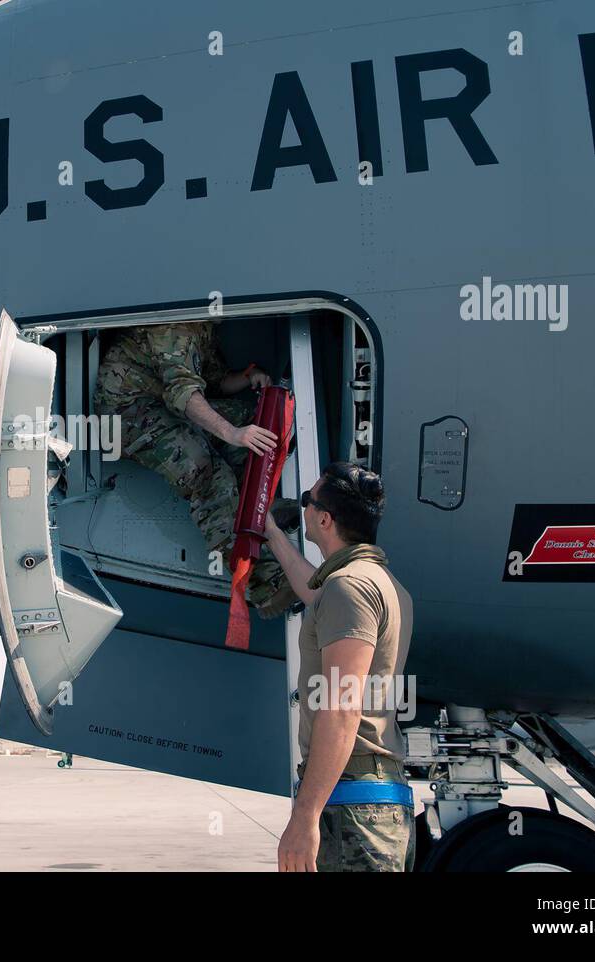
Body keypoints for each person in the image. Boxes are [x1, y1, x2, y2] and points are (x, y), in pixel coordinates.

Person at [261, 462, 415, 872]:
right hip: (369, 799)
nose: (304, 508)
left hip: (353, 808)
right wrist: (273, 536)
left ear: (325, 519)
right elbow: (316, 594)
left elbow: (342, 709)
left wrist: (305, 818)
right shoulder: (375, 582)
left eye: (308, 501)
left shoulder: (350, 588)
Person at [93, 322, 297, 615]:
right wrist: (231, 433)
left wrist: (247, 376)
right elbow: (184, 392)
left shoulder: (202, 324)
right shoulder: (174, 328)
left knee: (247, 420)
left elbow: (210, 380)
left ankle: (256, 516)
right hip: (127, 415)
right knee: (207, 474)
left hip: (159, 403)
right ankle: (266, 586)